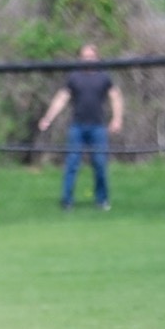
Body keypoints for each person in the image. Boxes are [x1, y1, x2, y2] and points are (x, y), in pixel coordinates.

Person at [37, 43, 124, 211]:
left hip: (98, 127)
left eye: (91, 57)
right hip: (77, 127)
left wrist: (117, 119)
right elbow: (61, 98)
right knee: (72, 164)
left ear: (97, 58)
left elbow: (116, 97)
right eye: (84, 57)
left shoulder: (104, 77)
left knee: (99, 164)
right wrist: (48, 118)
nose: (88, 60)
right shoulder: (74, 77)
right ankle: (67, 201)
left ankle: (102, 200)